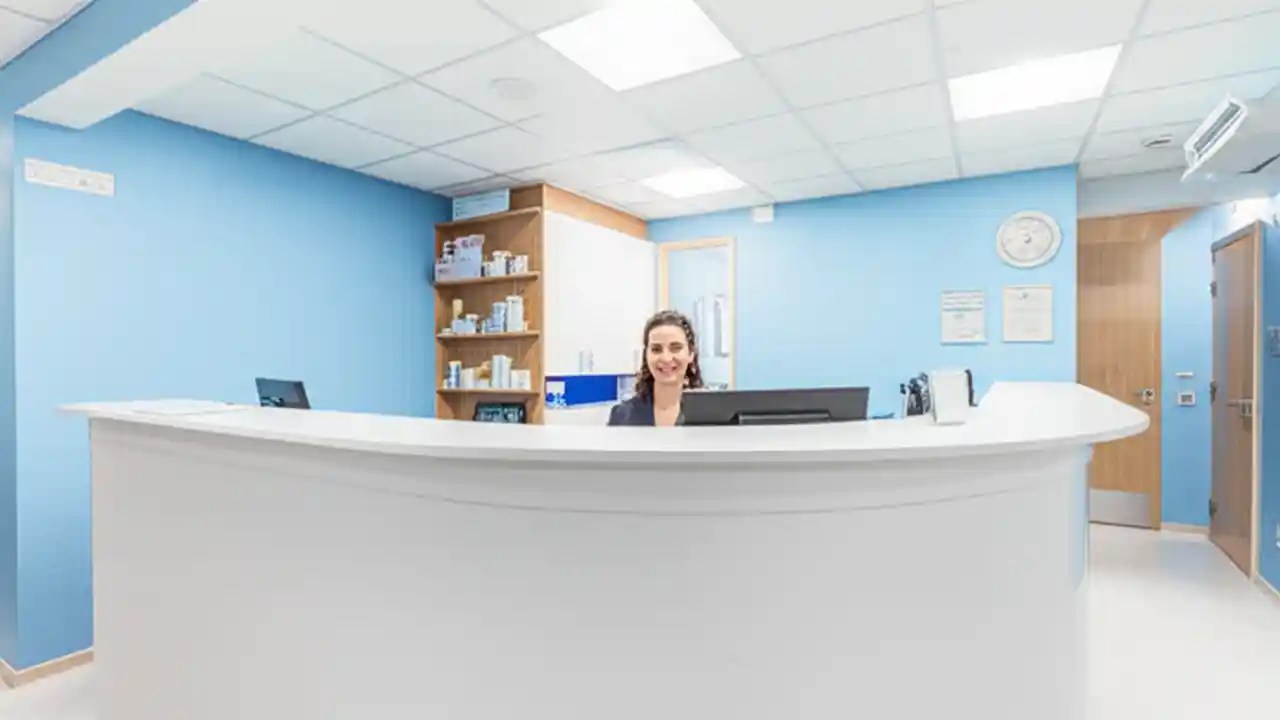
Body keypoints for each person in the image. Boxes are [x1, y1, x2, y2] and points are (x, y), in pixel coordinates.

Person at [607, 310, 704, 426]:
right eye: (656, 349)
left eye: (676, 348)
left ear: (691, 354)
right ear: (646, 356)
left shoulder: (712, 414)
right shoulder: (622, 416)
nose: (666, 358)